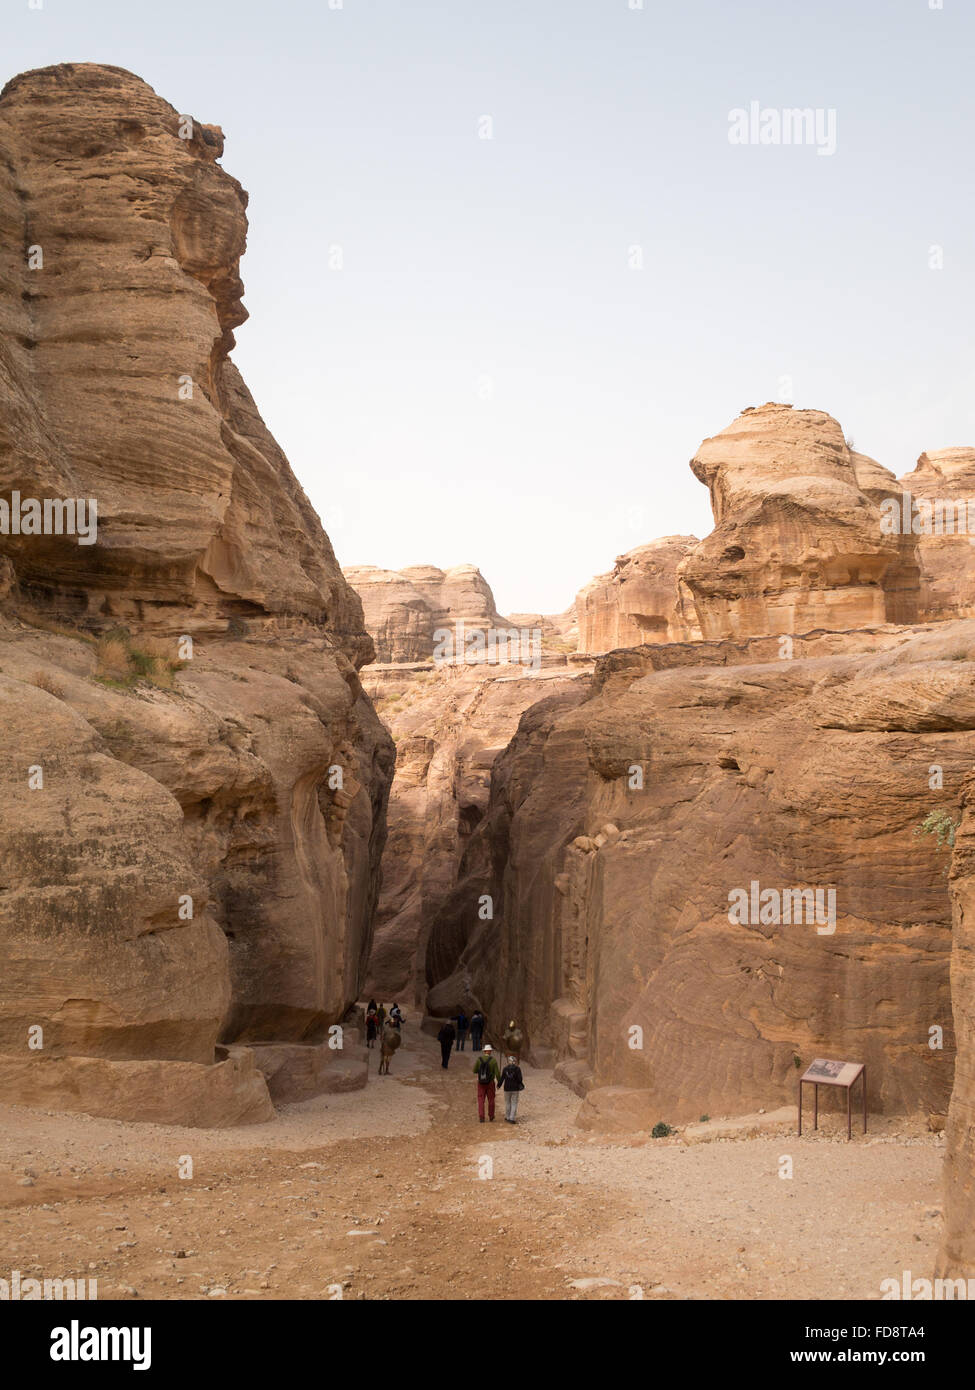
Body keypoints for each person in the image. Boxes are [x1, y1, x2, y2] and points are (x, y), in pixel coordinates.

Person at [473, 1043, 501, 1122]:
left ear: (484, 1051)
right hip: (490, 1083)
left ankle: (481, 1117)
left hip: (481, 1083)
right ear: (490, 1051)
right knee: (491, 1100)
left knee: (481, 1100)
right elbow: (497, 1073)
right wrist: (499, 1083)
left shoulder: (479, 1060)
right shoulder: (493, 1061)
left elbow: (474, 1070)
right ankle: (491, 1116)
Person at [499, 1054, 525, 1123]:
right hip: (515, 1089)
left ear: (508, 1061)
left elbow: (502, 1078)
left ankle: (507, 1117)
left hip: (507, 1088)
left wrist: (499, 1085)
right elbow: (520, 1079)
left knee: (507, 1103)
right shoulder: (518, 1069)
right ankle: (512, 1118)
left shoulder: (505, 1069)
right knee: (514, 1103)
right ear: (515, 1062)